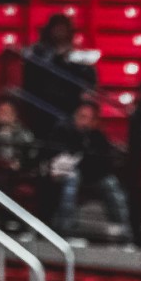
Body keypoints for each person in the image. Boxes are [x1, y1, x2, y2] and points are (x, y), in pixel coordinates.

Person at [46, 101, 131, 242]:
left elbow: (103, 163)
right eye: (81, 116)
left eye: (89, 118)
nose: (84, 122)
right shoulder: (63, 130)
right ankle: (65, 230)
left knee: (110, 182)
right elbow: (56, 156)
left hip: (90, 175)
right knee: (72, 179)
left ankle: (123, 230)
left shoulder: (96, 136)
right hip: (63, 173)